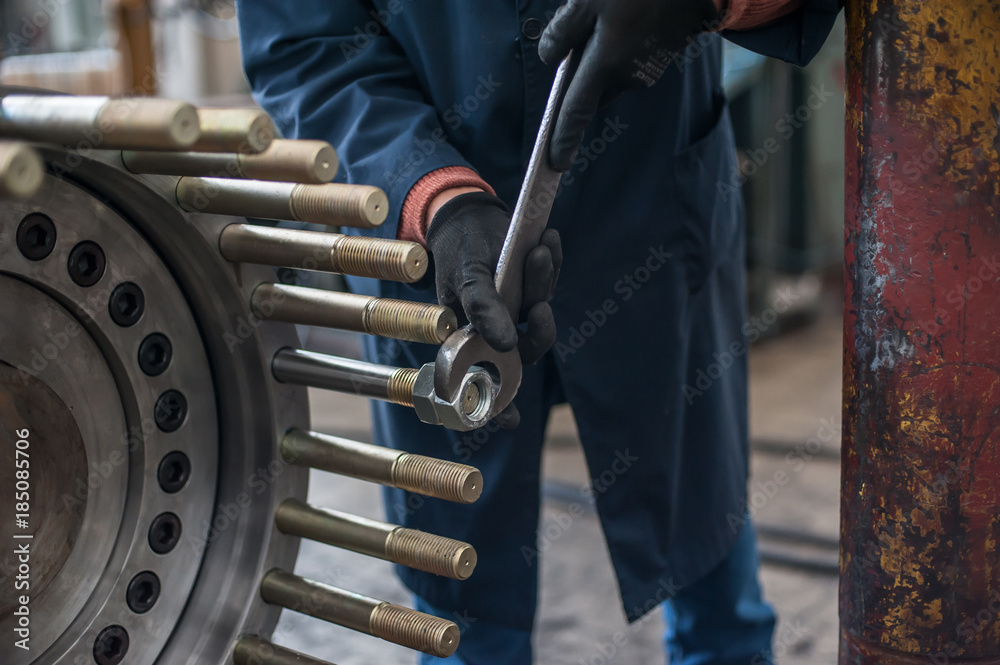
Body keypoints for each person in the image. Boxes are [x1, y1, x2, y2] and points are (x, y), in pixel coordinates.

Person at [237, 1, 841, 663]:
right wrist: (432, 192)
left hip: (652, 198)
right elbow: (304, 45)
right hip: (435, 250)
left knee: (706, 549)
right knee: (466, 606)